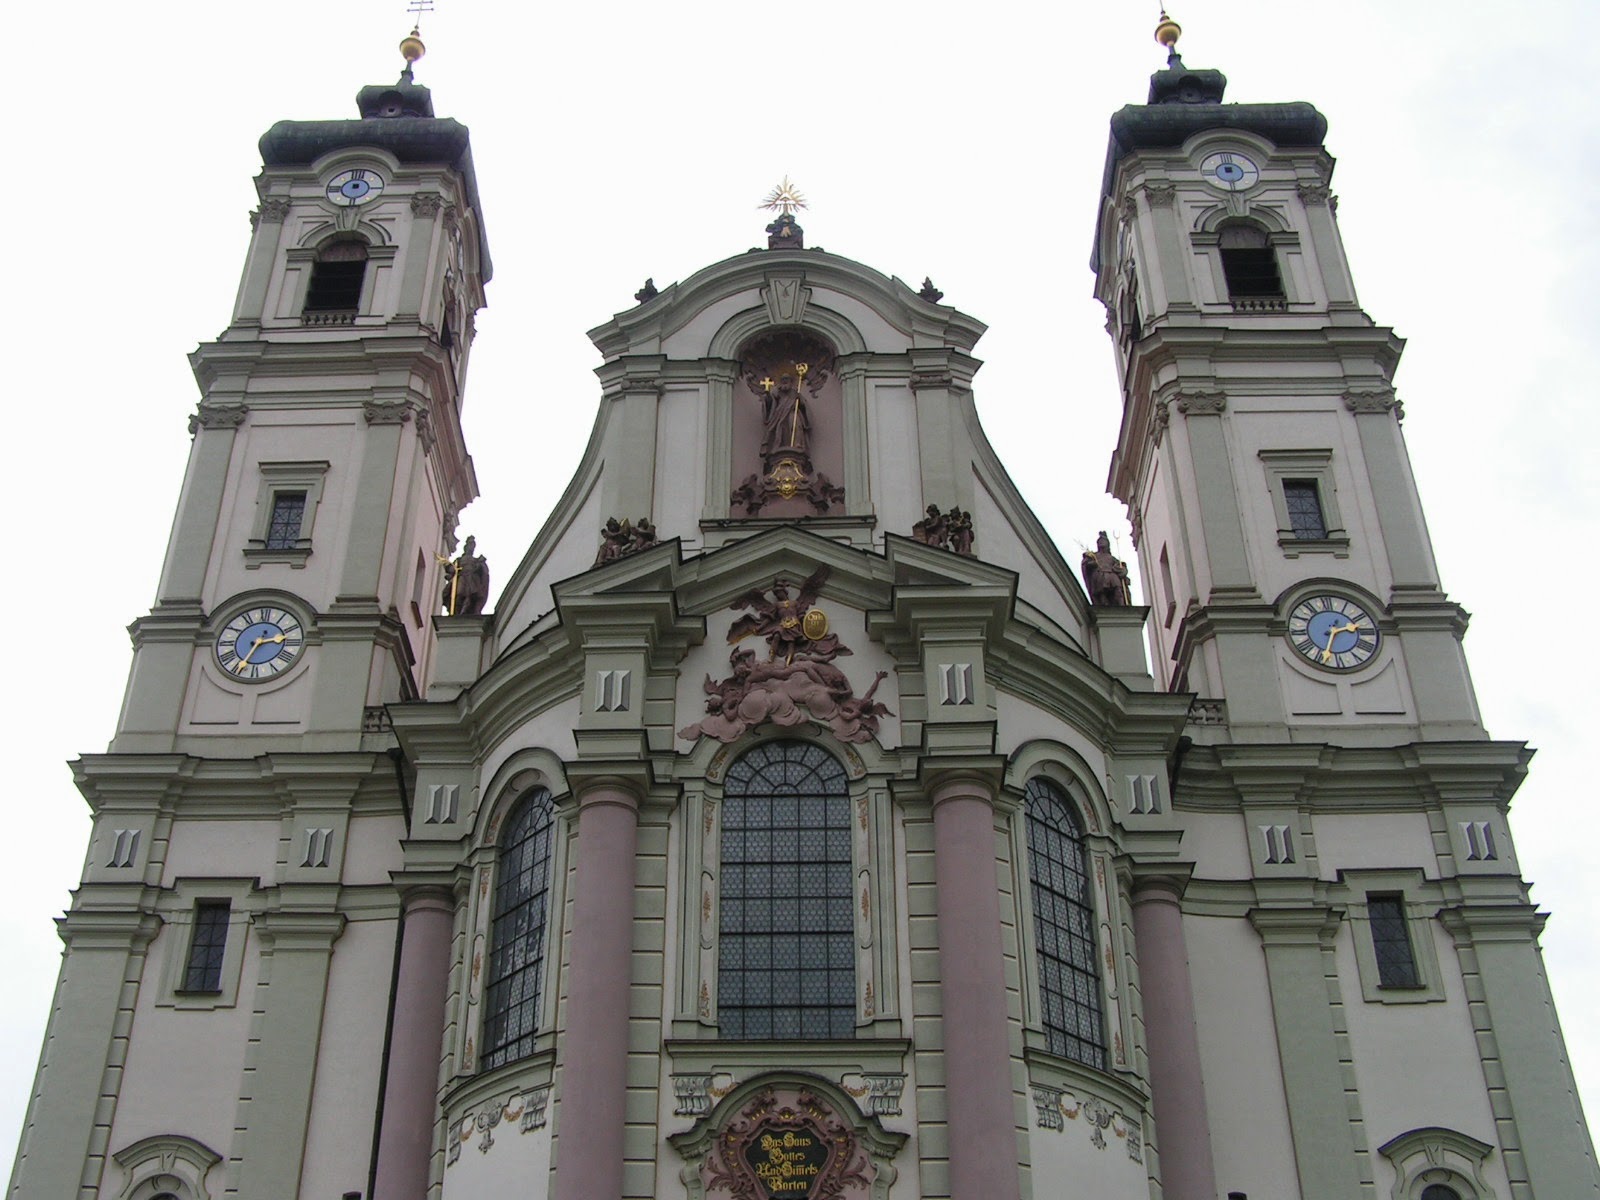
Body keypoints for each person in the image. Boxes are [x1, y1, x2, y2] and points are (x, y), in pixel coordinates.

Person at [442, 535, 490, 615]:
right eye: (469, 546)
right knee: (459, 594)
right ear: (466, 547)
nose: (471, 548)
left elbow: (482, 570)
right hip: (462, 577)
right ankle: (456, 612)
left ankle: (464, 612)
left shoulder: (475, 560)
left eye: (472, 547)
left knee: (470, 596)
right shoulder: (460, 559)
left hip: (471, 579)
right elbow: (452, 569)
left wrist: (480, 565)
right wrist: (451, 570)